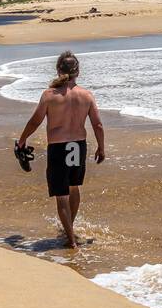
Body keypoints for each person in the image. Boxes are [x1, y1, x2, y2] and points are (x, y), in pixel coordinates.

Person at [14, 51, 105, 248]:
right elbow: (97, 125)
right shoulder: (86, 95)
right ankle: (68, 229)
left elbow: (35, 121)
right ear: (78, 72)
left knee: (62, 195)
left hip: (59, 148)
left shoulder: (49, 96)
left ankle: (70, 241)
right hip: (78, 147)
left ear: (58, 70)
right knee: (74, 188)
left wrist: (22, 140)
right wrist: (101, 147)